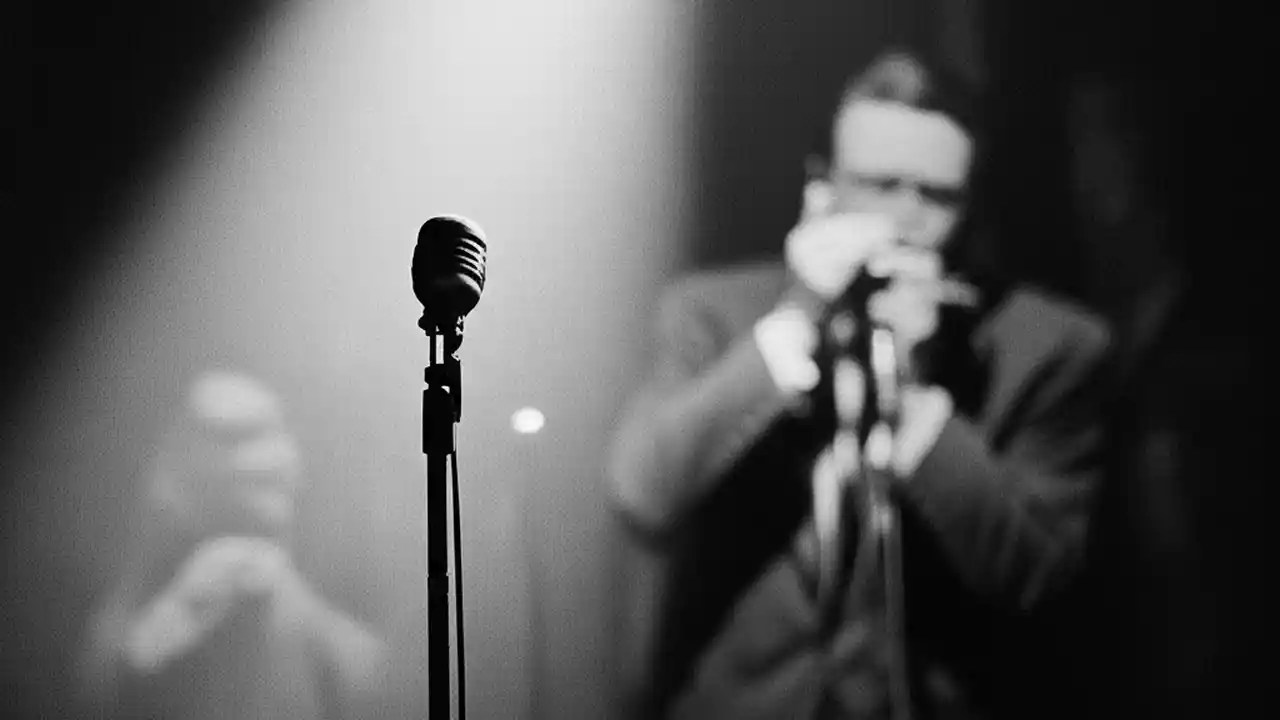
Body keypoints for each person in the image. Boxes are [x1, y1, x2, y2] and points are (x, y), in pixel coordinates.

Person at [608, 49, 1112, 719]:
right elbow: (644, 491)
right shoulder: (713, 314)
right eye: (879, 185)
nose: (906, 219)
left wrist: (908, 399)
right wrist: (797, 318)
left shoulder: (1050, 346)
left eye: (936, 195)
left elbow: (1037, 574)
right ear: (821, 189)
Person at [76, 368, 387, 720]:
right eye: (232, 438)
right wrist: (180, 614)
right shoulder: (133, 613)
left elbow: (377, 680)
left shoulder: (324, 631)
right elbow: (114, 678)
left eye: (270, 434)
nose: (269, 458)